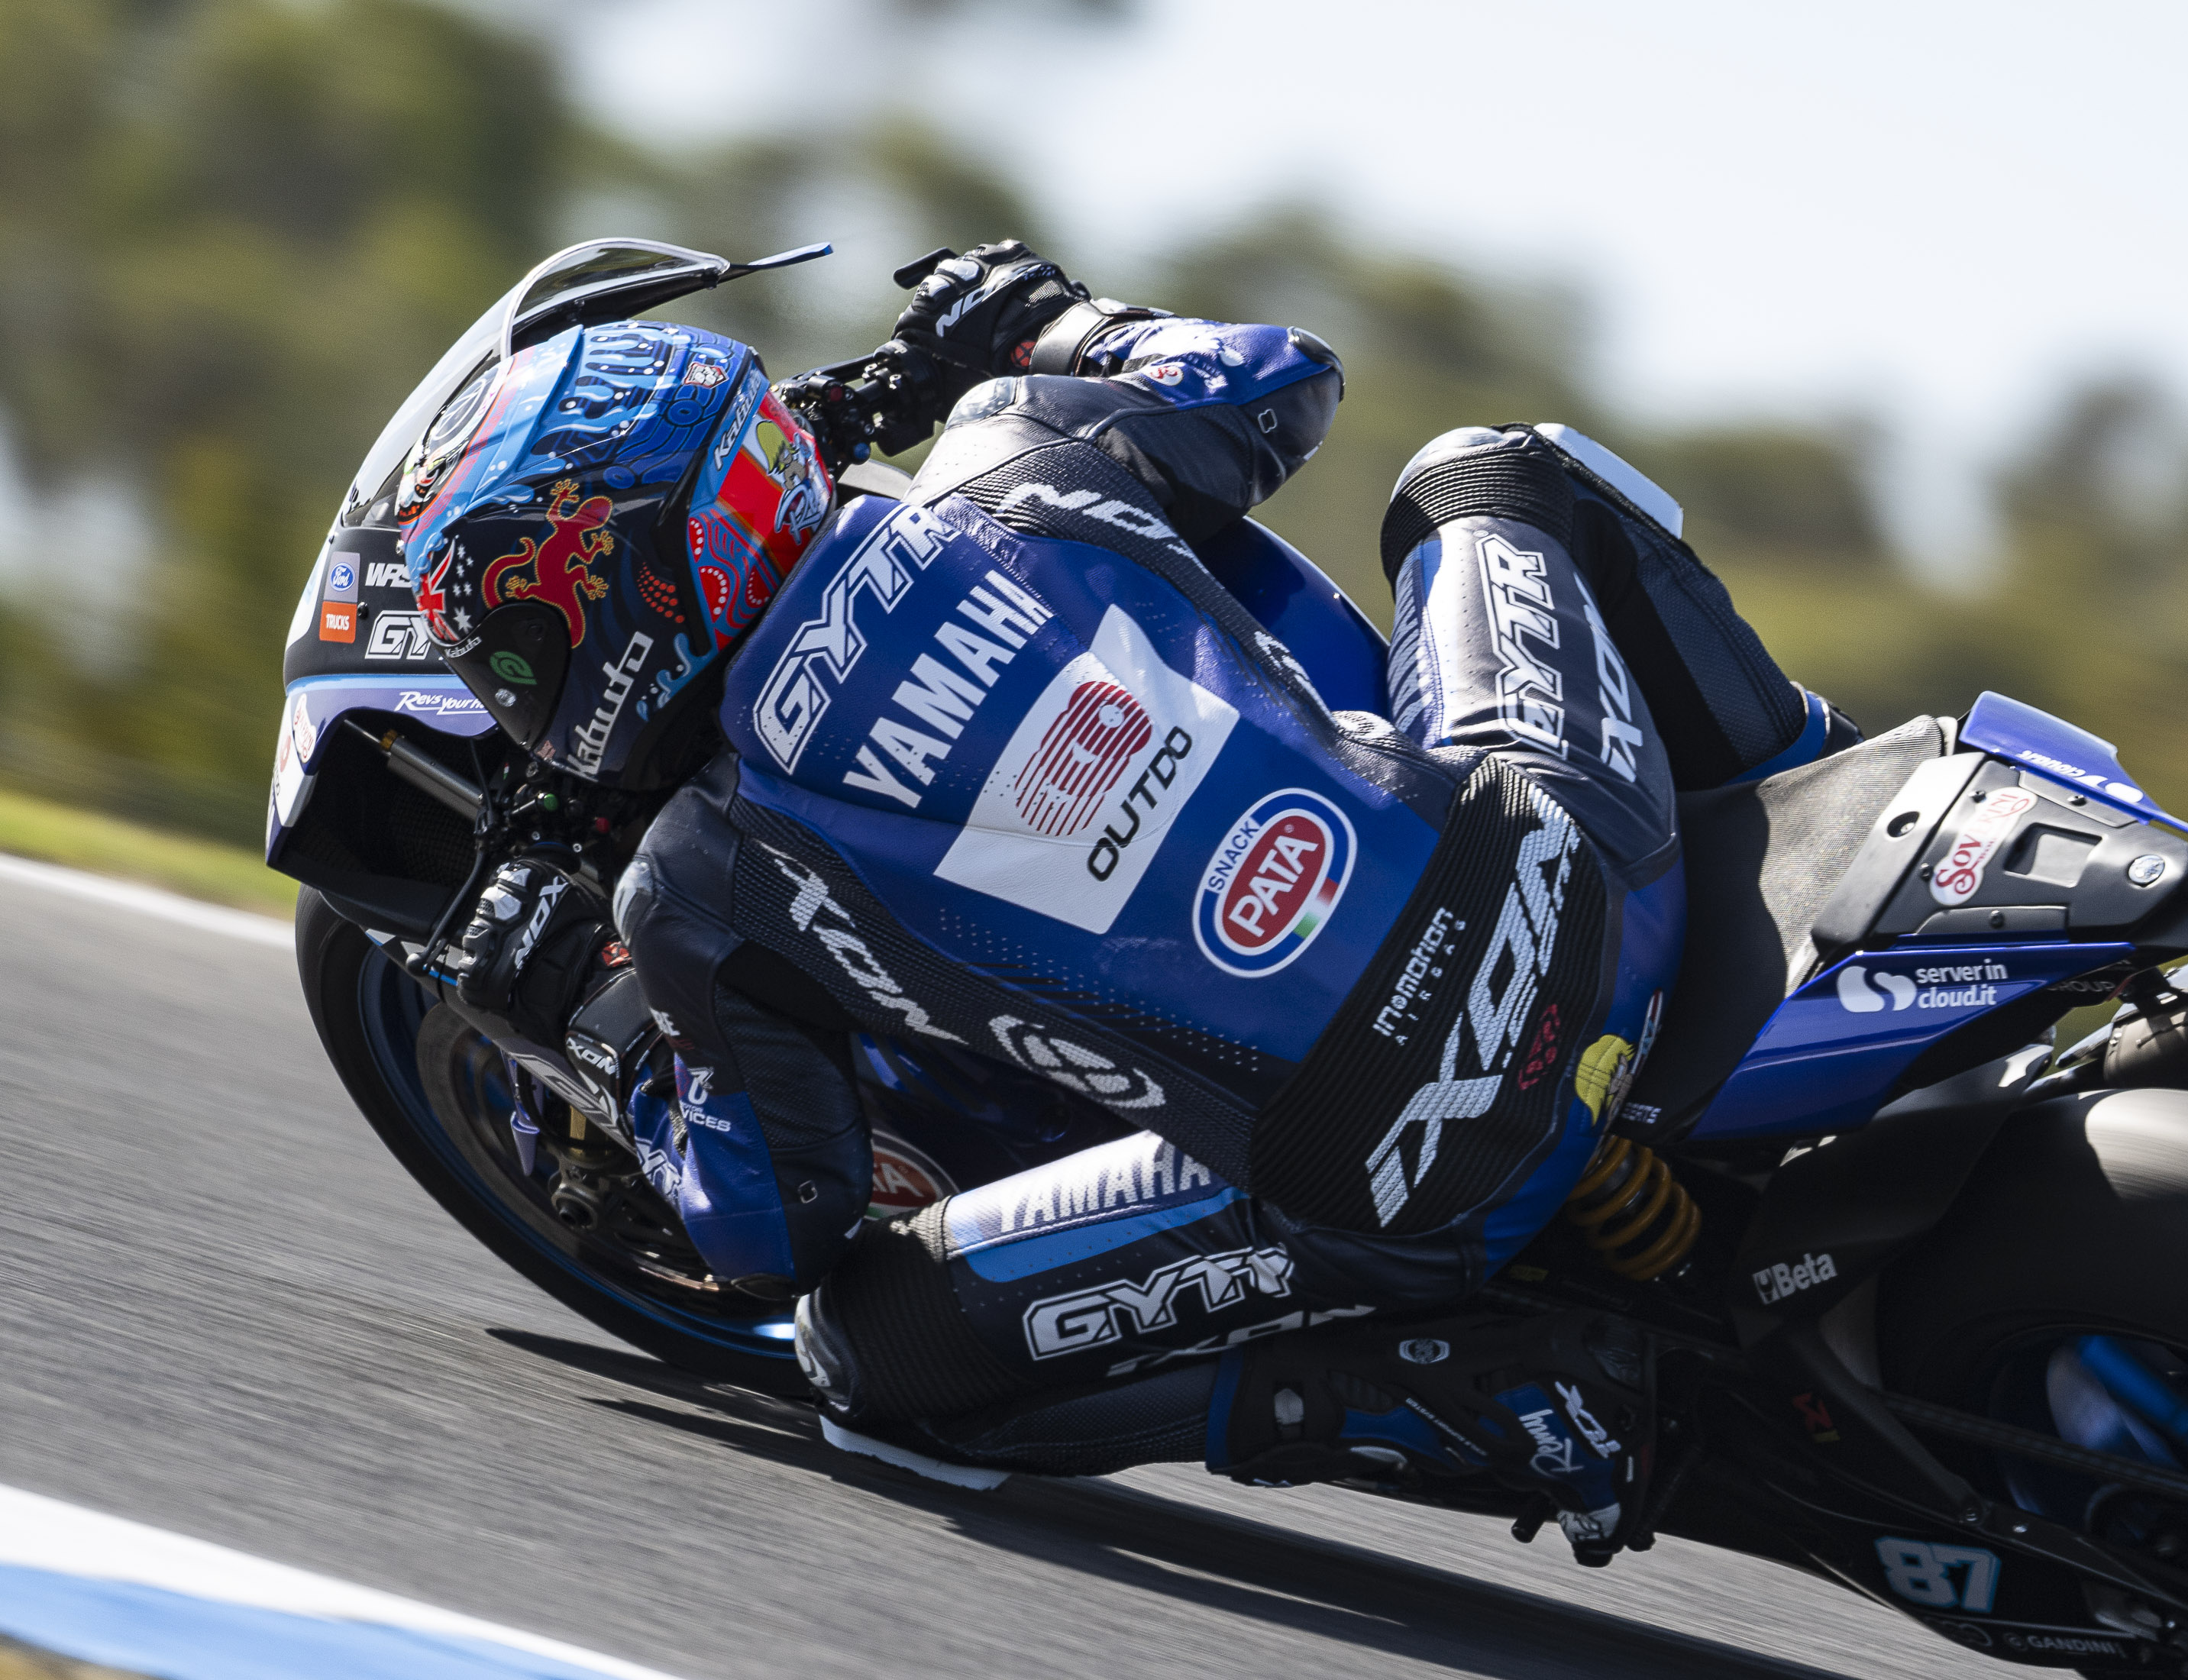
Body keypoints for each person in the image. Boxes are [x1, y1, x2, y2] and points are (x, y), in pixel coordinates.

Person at [403, 241, 1852, 1558]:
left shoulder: (694, 879)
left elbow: (774, 1231)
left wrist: (599, 1039)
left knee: (861, 1362)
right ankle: (1847, 800)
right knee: (1492, 473)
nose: (509, 696)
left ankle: (1498, 1396)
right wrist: (1053, 327)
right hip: (1585, 872)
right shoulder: (1017, 445)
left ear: (622, 602)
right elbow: (1281, 379)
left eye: (515, 655)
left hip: (1405, 1177)